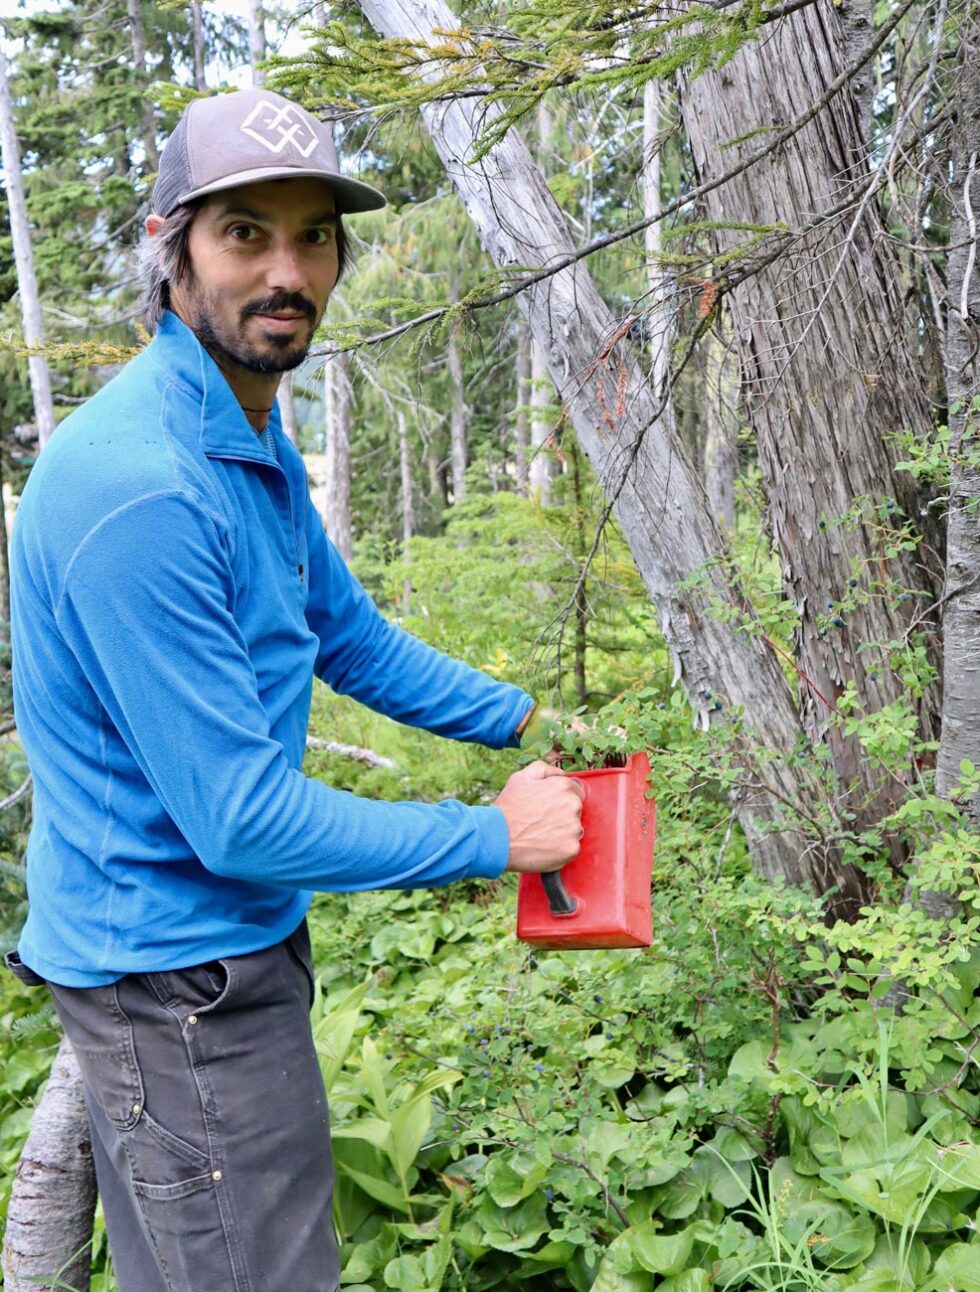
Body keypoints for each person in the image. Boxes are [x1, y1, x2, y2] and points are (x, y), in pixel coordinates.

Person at [6, 88, 584, 1292]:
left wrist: (523, 716)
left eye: (313, 234)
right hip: (176, 988)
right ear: (171, 247)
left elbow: (344, 634)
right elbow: (241, 818)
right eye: (244, 232)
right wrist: (491, 835)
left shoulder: (243, 433)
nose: (286, 269)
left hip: (207, 958)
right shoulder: (147, 489)